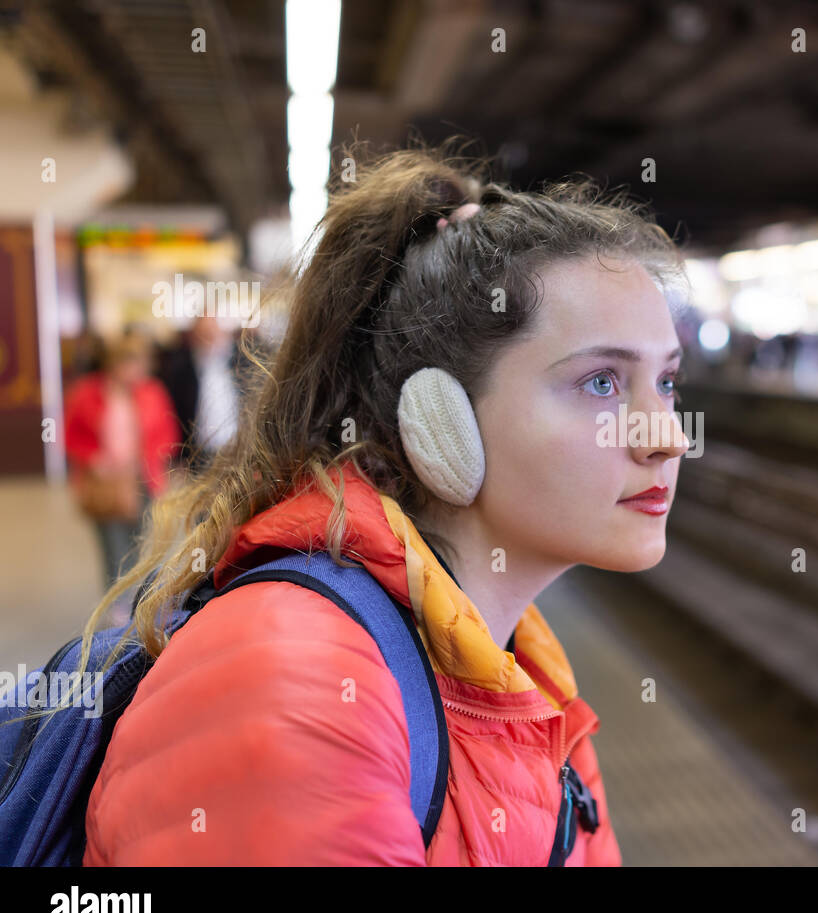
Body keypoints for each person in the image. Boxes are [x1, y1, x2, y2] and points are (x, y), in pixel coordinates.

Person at [74, 140, 689, 866]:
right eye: (603, 384)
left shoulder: (516, 662)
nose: (669, 437)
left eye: (668, 384)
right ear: (442, 420)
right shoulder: (300, 687)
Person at [63, 331, 181, 604]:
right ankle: (117, 604)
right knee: (113, 546)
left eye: (139, 363)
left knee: (139, 545)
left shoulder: (152, 392)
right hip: (104, 483)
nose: (135, 370)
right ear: (113, 364)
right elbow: (71, 435)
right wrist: (93, 457)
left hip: (143, 480)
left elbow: (168, 434)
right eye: (128, 363)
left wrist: (154, 460)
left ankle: (138, 600)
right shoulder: (87, 393)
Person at [156, 308, 257, 474]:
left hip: (235, 449)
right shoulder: (181, 368)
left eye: (213, 332)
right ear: (194, 336)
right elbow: (175, 414)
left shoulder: (242, 362)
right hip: (197, 453)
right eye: (204, 334)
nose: (210, 338)